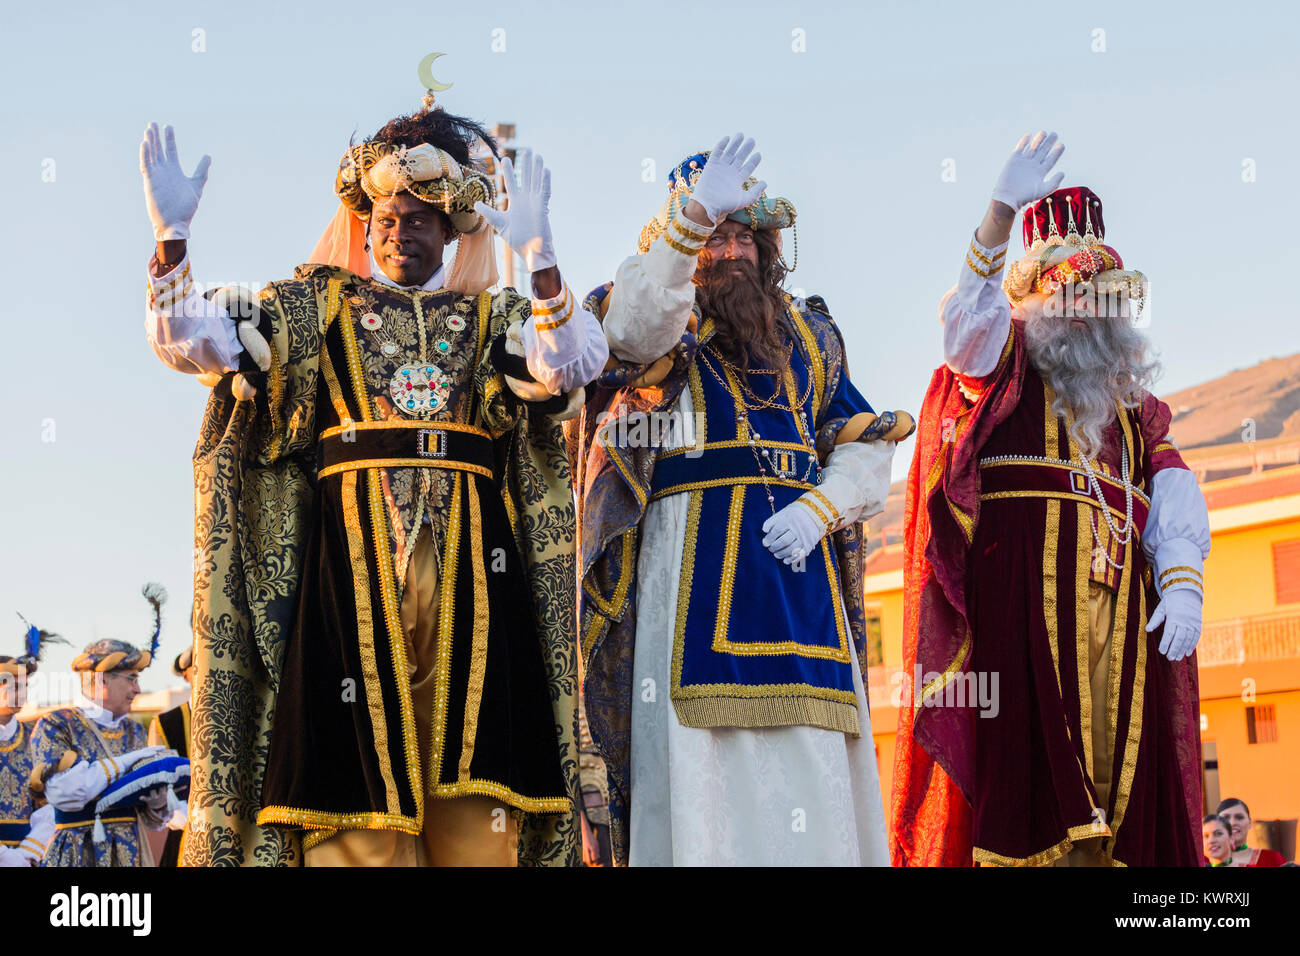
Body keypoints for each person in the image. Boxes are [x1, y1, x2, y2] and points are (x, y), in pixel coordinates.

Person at [140, 84, 607, 866]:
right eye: (384, 221)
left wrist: (544, 263)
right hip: (347, 573)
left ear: (450, 229)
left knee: (478, 796)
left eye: (416, 221)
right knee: (352, 799)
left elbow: (570, 368)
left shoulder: (491, 316)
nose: (396, 236)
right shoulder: (311, 308)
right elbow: (196, 343)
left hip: (474, 576)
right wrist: (173, 241)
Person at [573, 135, 911, 865]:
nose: (727, 253)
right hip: (683, 574)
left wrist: (821, 507)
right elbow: (634, 330)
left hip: (802, 591)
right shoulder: (657, 311)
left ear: (767, 247)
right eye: (711, 238)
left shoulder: (811, 335)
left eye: (740, 238)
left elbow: (866, 439)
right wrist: (689, 218)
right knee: (698, 771)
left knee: (813, 764)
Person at [892, 132, 1210, 867]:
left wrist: (1182, 586)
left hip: (1125, 632)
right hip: (1019, 626)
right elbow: (961, 328)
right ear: (1029, 295)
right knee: (1026, 813)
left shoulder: (1138, 415)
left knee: (1127, 814)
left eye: (1102, 294)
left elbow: (1176, 503)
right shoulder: (1002, 366)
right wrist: (998, 217)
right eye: (1070, 290)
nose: (1090, 309)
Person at [28, 636, 173, 867]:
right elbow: (63, 793)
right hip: (77, 852)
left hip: (130, 854)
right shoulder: (57, 723)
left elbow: (149, 820)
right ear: (101, 680)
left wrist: (158, 806)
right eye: (132, 679)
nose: (138, 689)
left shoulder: (133, 729)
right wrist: (125, 762)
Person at [0, 620, 60, 866]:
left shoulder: (36, 737)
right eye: (12, 686)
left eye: (24, 686)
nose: (21, 693)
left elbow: (51, 803)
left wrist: (28, 852)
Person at [146, 646, 195, 867]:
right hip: (185, 833)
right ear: (186, 674)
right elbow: (158, 786)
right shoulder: (165, 724)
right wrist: (187, 819)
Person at [1215, 797, 1288, 866]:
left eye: (1239, 817)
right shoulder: (1206, 862)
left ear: (1250, 823)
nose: (1233, 823)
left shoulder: (1272, 859)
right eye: (1225, 818)